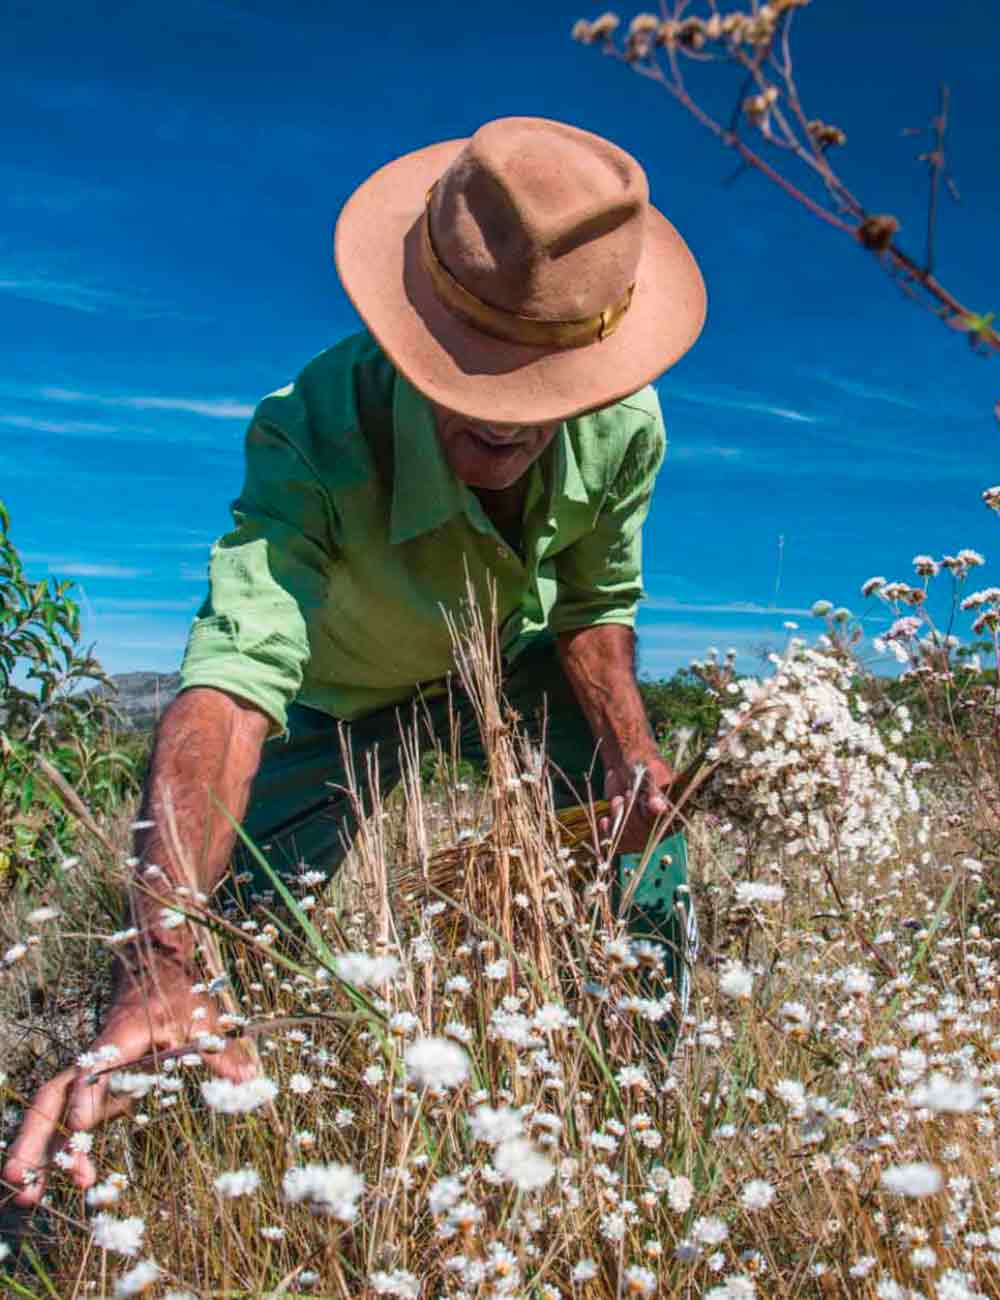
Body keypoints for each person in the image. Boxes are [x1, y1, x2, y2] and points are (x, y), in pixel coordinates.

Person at [3, 114, 706, 1207]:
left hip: (507, 668)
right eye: (471, 373)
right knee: (204, 942)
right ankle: (164, 1182)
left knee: (642, 838)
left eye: (542, 388)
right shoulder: (309, 430)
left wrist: (628, 755)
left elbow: (594, 604)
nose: (509, 420)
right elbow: (234, 678)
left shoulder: (631, 429)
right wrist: (157, 947)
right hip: (332, 702)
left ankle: (645, 1097)